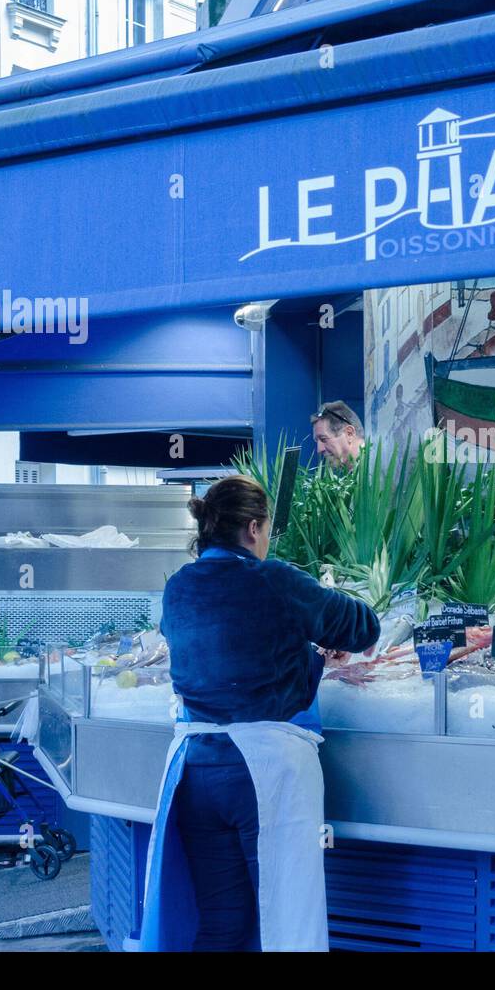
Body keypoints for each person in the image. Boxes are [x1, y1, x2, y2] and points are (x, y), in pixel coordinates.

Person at [142, 475, 379, 951]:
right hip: (264, 771)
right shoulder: (276, 580)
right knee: (286, 921)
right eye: (267, 527)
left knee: (222, 922)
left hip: (194, 770)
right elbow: (363, 627)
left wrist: (305, 652)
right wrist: (315, 639)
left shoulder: (179, 588)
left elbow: (227, 646)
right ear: (253, 528)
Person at [310, 400, 365, 471]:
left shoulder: (379, 472)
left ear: (349, 433)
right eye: (317, 441)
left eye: (323, 439)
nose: (319, 449)